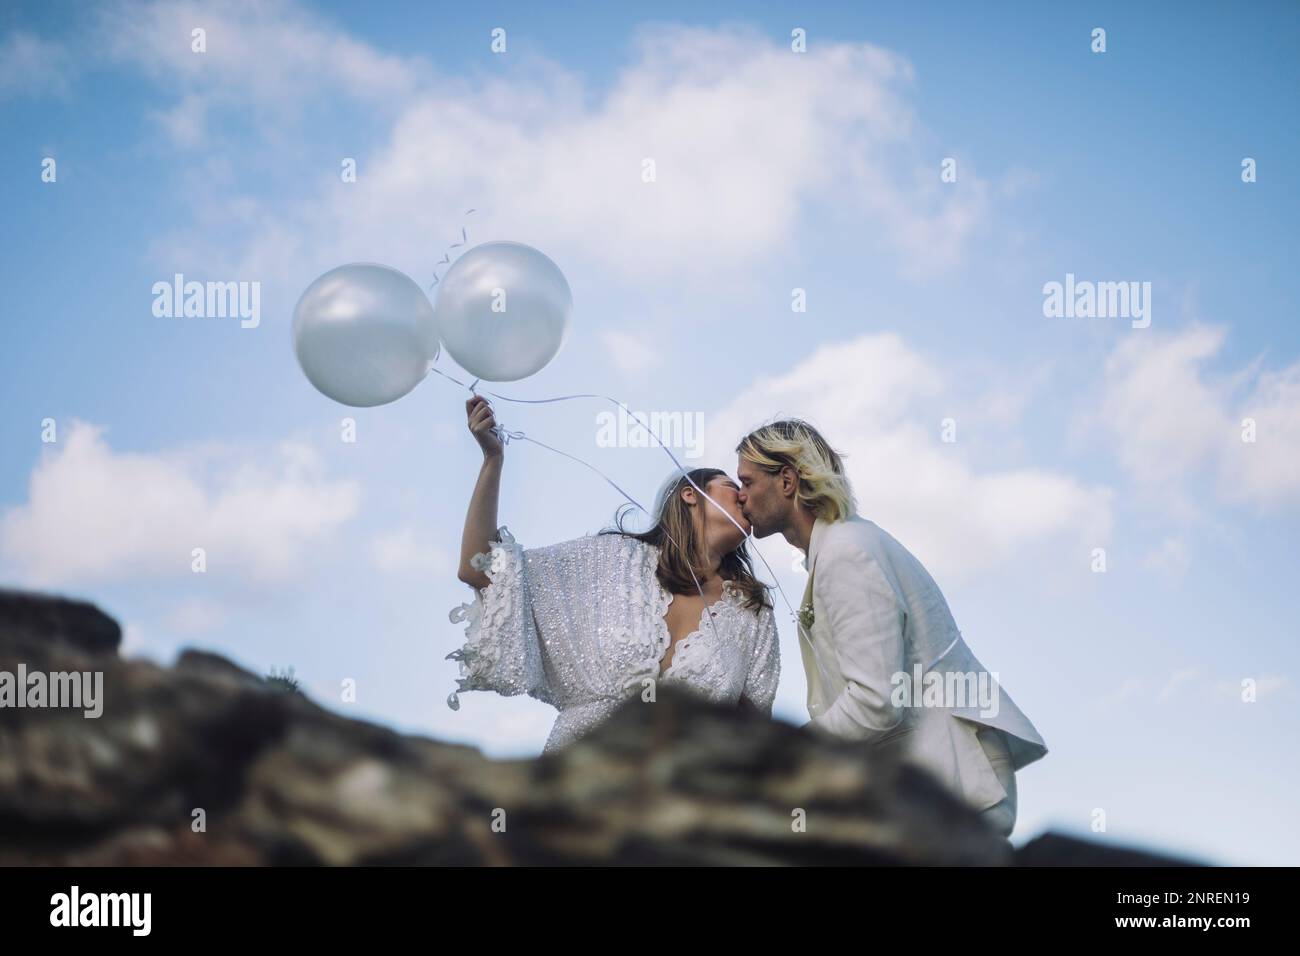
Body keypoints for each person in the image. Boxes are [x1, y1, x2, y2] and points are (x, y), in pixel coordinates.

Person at [734, 419, 1046, 838]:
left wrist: (782, 752)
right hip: (919, 794)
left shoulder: (847, 554)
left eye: (747, 481)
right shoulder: (841, 547)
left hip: (945, 788)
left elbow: (876, 702)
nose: (740, 495)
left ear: (786, 481)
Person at [448, 395, 780, 753]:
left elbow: (757, 733)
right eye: (733, 487)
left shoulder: (752, 611)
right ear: (690, 495)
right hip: (577, 783)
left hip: (688, 799)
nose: (746, 498)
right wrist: (492, 460)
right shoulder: (611, 560)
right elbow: (478, 567)